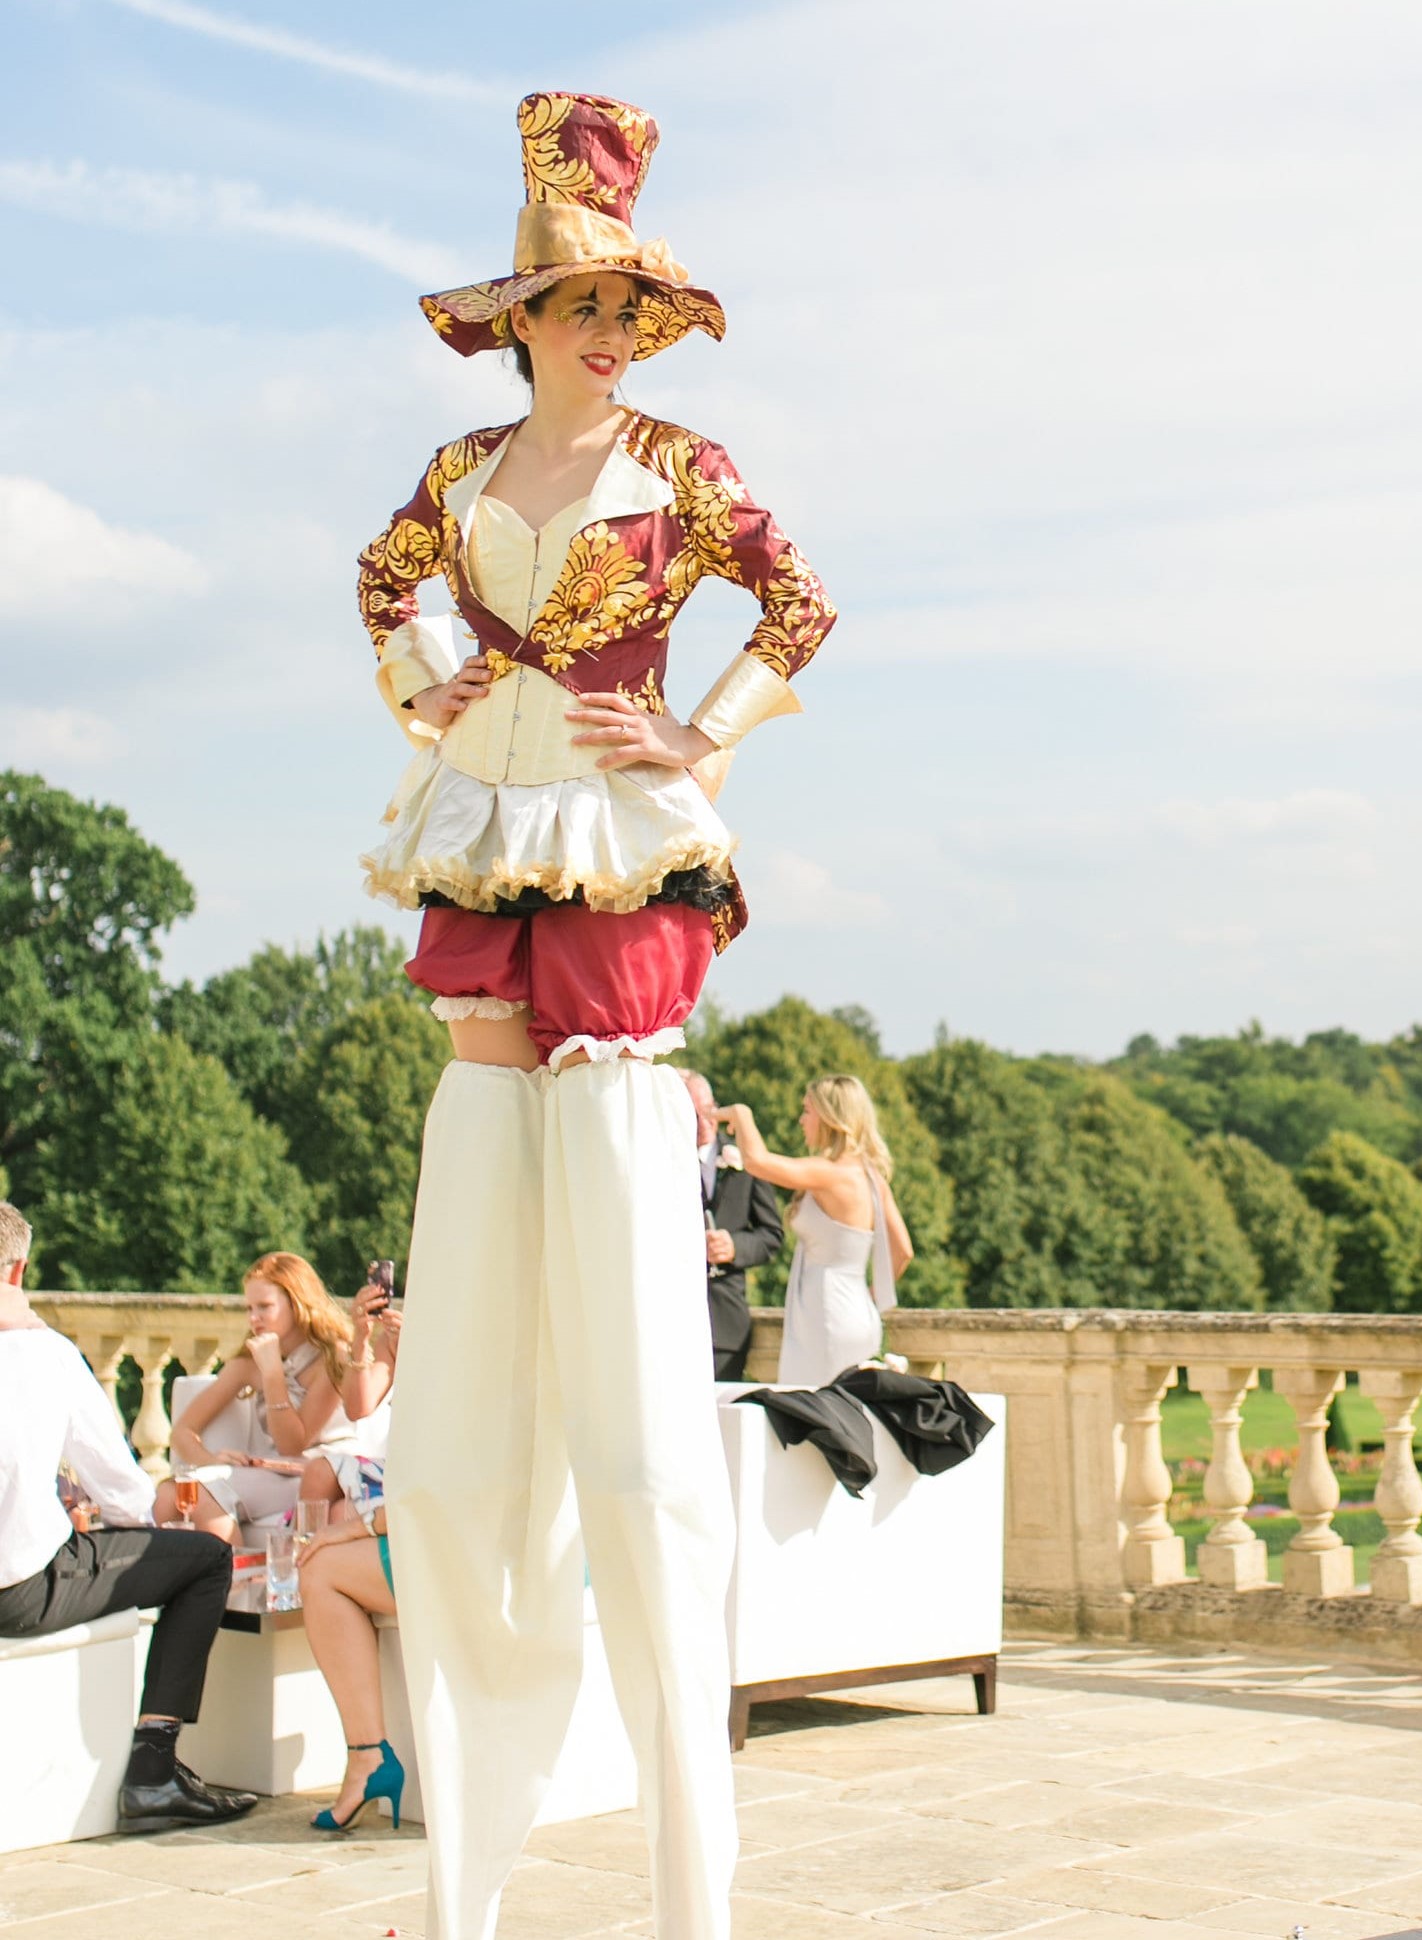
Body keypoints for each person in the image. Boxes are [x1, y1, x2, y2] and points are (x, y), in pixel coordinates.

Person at [357, 91, 833, 1940]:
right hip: (493, 822)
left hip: (625, 840)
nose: (604, 332)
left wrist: (701, 734)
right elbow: (382, 592)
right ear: (523, 315)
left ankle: (681, 1889)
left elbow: (797, 602)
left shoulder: (681, 465)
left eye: (625, 306)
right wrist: (442, 700)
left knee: (635, 1421)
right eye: (578, 303)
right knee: (471, 1353)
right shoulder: (464, 477)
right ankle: (463, 1879)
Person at [0, 1202, 260, 1832]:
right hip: (17, 1588)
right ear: (19, 1271)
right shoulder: (47, 1355)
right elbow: (122, 1493)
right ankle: (153, 1770)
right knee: (206, 1560)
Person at [720, 1078, 914, 1389]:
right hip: (853, 1309)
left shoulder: (831, 1173)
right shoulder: (870, 1175)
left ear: (829, 1116)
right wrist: (868, 1297)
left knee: (818, 1414)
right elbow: (903, 1250)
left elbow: (757, 1162)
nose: (801, 1119)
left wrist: (741, 1114)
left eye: (807, 1110)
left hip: (826, 1313)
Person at [297, 1273, 405, 1833]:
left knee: (323, 1566)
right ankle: (367, 1755)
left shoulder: (465, 1354)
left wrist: (352, 1529)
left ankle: (368, 1754)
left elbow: (442, 1490)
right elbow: (362, 1407)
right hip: (426, 1517)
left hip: (460, 1538)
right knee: (322, 1557)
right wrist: (364, 1339)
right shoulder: (406, 1336)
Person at [159, 1251, 357, 1543]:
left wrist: (273, 1376)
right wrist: (210, 1462)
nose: (254, 1318)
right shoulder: (247, 1363)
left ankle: (232, 1585)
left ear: (297, 1303)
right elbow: (182, 1432)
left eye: (265, 1307)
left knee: (201, 1495)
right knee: (168, 1494)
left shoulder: (332, 1358)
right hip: (272, 1471)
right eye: (249, 1308)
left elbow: (293, 1443)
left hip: (321, 1476)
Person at [681, 1068, 787, 1381]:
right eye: (691, 1114)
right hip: (671, 1315)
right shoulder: (660, 1160)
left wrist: (735, 1246)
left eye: (707, 1111)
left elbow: (771, 1235)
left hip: (725, 1323)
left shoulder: (745, 1160)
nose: (703, 1123)